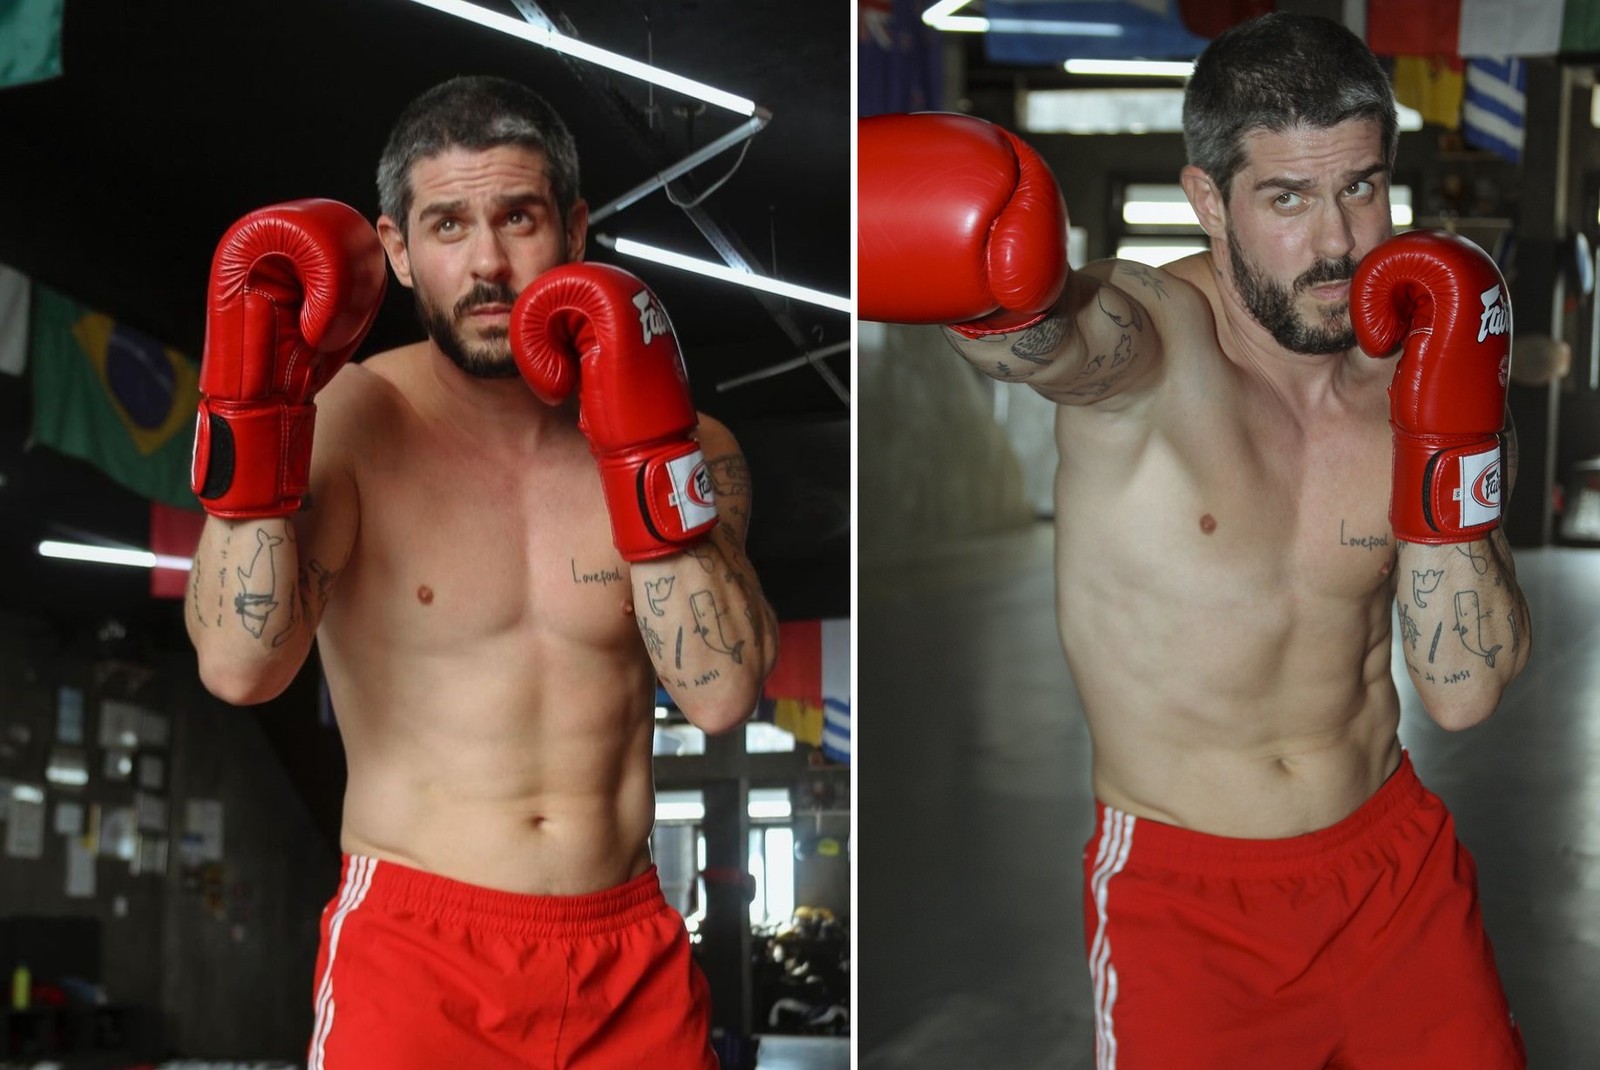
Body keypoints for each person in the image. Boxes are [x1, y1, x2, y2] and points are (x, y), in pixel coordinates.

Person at [860, 13, 1529, 1070]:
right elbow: (1064, 346)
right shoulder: (1159, 337)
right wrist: (995, 304)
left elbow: (1462, 692)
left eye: (1359, 186)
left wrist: (1448, 432)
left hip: (1394, 865)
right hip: (1190, 905)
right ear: (1206, 200)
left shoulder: (1414, 359)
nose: (1337, 243)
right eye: (1286, 198)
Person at [185, 75, 777, 1068]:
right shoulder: (349, 425)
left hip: (627, 952)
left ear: (575, 230)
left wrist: (640, 449)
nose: (489, 263)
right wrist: (260, 411)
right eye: (448, 224)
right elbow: (240, 668)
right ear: (397, 251)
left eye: (518, 217)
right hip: (418, 949)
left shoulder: (690, 440)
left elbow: (719, 692)